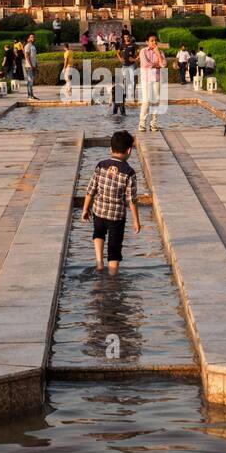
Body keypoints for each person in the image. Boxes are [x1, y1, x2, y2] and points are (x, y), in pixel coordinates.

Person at [81, 128, 141, 276]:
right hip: (116, 217)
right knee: (114, 247)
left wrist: (85, 209)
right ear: (129, 150)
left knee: (99, 233)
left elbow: (91, 190)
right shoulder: (129, 172)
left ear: (110, 149)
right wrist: (136, 221)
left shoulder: (101, 165)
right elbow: (131, 199)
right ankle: (113, 277)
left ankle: (99, 262)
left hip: (99, 211)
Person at [138, 33, 168, 133]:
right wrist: (157, 65)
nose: (154, 42)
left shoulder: (160, 52)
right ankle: (142, 124)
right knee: (146, 101)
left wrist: (158, 53)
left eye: (155, 40)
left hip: (156, 79)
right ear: (147, 42)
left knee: (156, 102)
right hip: (146, 79)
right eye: (152, 40)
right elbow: (146, 64)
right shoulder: (143, 51)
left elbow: (163, 64)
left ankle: (153, 124)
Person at [113, 32, 136, 116]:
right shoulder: (122, 45)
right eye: (125, 37)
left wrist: (135, 59)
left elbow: (140, 52)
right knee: (124, 81)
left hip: (131, 65)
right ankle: (125, 95)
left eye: (127, 37)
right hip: (124, 65)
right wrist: (120, 59)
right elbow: (117, 52)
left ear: (129, 37)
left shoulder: (133, 45)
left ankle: (132, 95)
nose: (126, 38)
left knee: (132, 80)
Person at [23, 32, 39, 100]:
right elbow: (27, 56)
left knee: (31, 81)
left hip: (33, 65)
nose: (33, 38)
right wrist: (31, 65)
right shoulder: (27, 46)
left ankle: (31, 95)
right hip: (29, 66)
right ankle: (29, 96)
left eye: (33, 37)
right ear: (28, 38)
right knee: (30, 81)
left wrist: (36, 65)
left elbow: (34, 57)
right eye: (31, 37)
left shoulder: (33, 46)